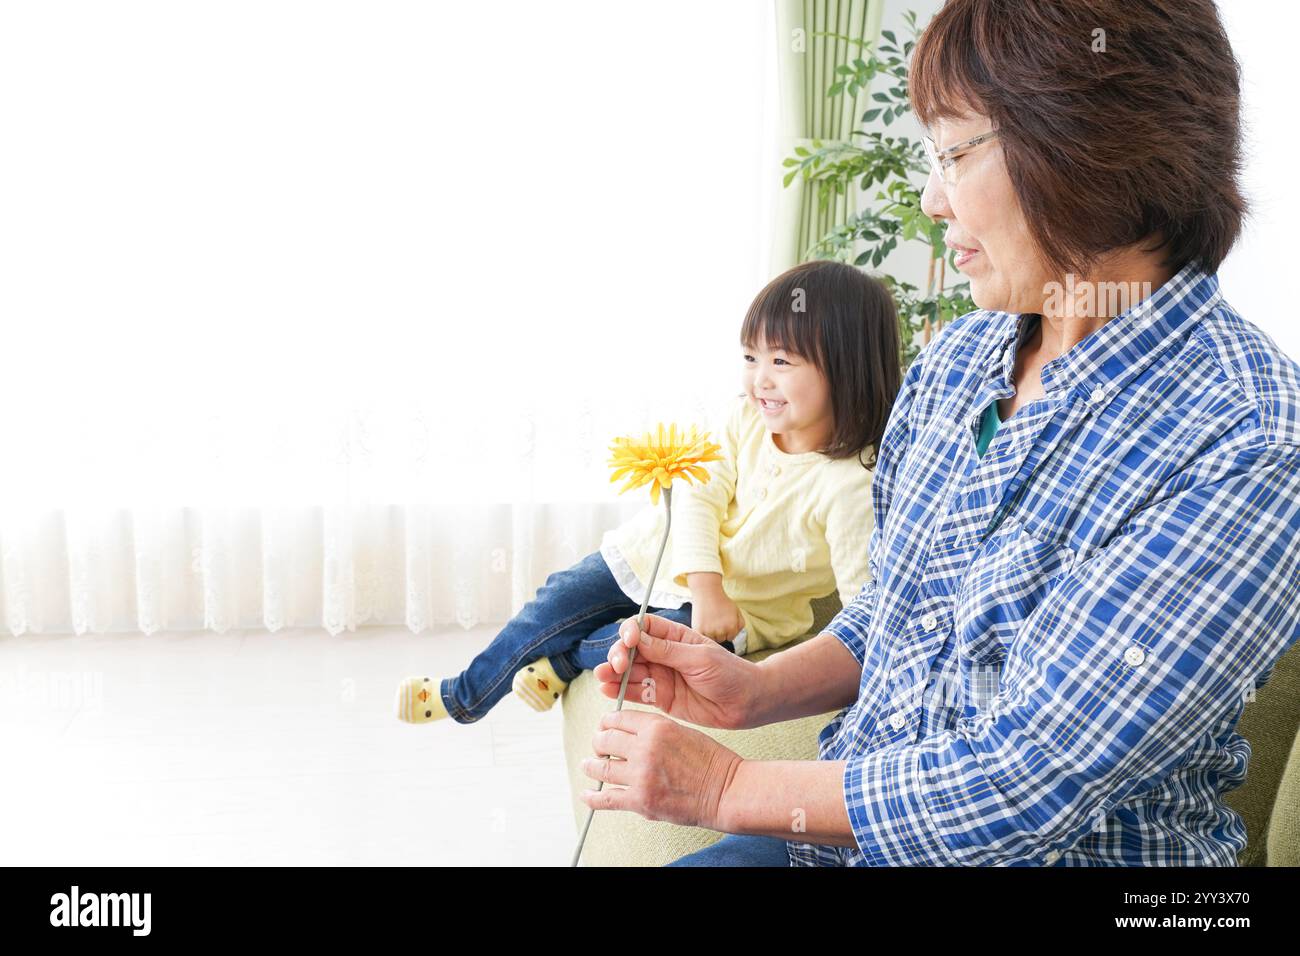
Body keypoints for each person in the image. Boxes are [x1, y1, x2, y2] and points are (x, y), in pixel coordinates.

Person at [581, 0, 1300, 866]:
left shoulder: (1250, 443)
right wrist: (753, 691)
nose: (930, 198)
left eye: (955, 152)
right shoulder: (960, 359)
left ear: (1090, 146)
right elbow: (905, 606)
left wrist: (728, 787)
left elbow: (1028, 779)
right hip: (849, 846)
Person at [395, 259, 901, 724]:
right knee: (559, 596)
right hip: (658, 556)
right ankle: (463, 695)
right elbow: (698, 494)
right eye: (751, 357)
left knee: (644, 641)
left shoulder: (852, 486)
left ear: (846, 367)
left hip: (741, 614)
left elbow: (864, 602)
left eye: (783, 362)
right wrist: (707, 586)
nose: (759, 380)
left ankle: (565, 661)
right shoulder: (743, 417)